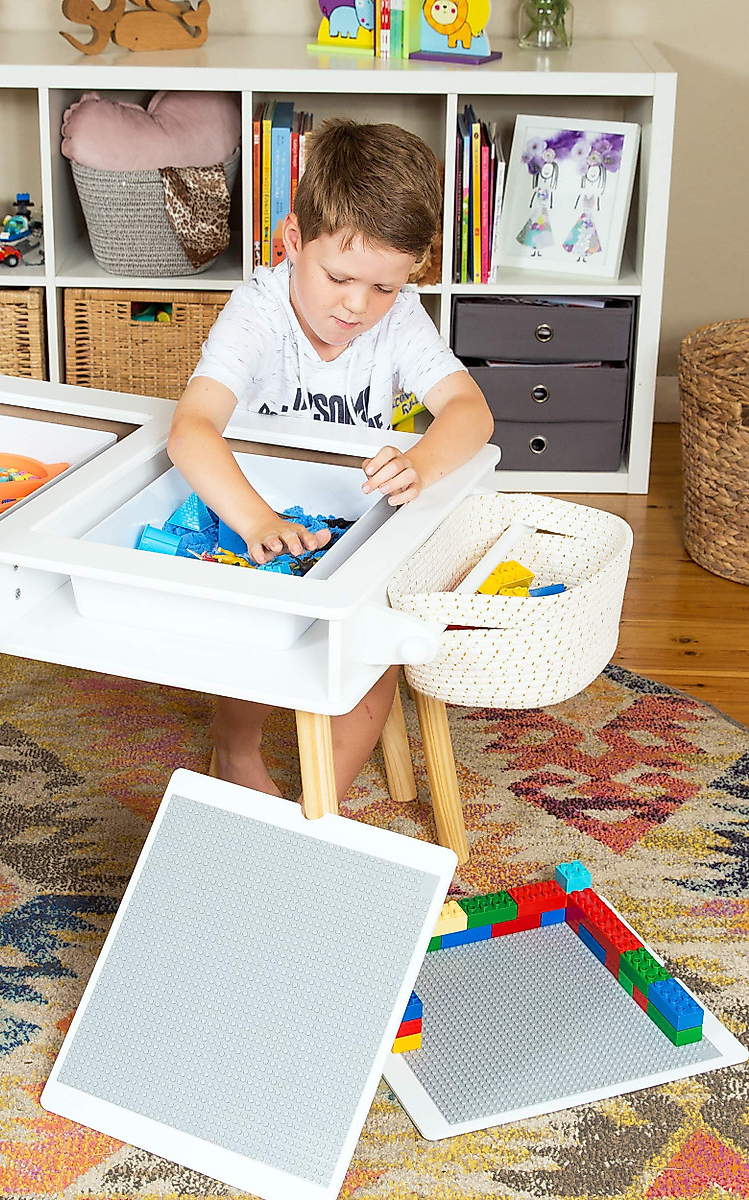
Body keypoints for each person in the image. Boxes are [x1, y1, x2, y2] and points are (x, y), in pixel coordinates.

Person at [167, 119, 494, 802]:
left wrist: (423, 463)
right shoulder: (257, 311)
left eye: (383, 287)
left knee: (370, 675)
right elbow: (191, 431)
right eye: (340, 278)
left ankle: (316, 814)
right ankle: (234, 746)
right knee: (259, 651)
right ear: (293, 242)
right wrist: (257, 520)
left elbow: (471, 413)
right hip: (259, 523)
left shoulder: (399, 317)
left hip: (355, 533)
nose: (357, 306)